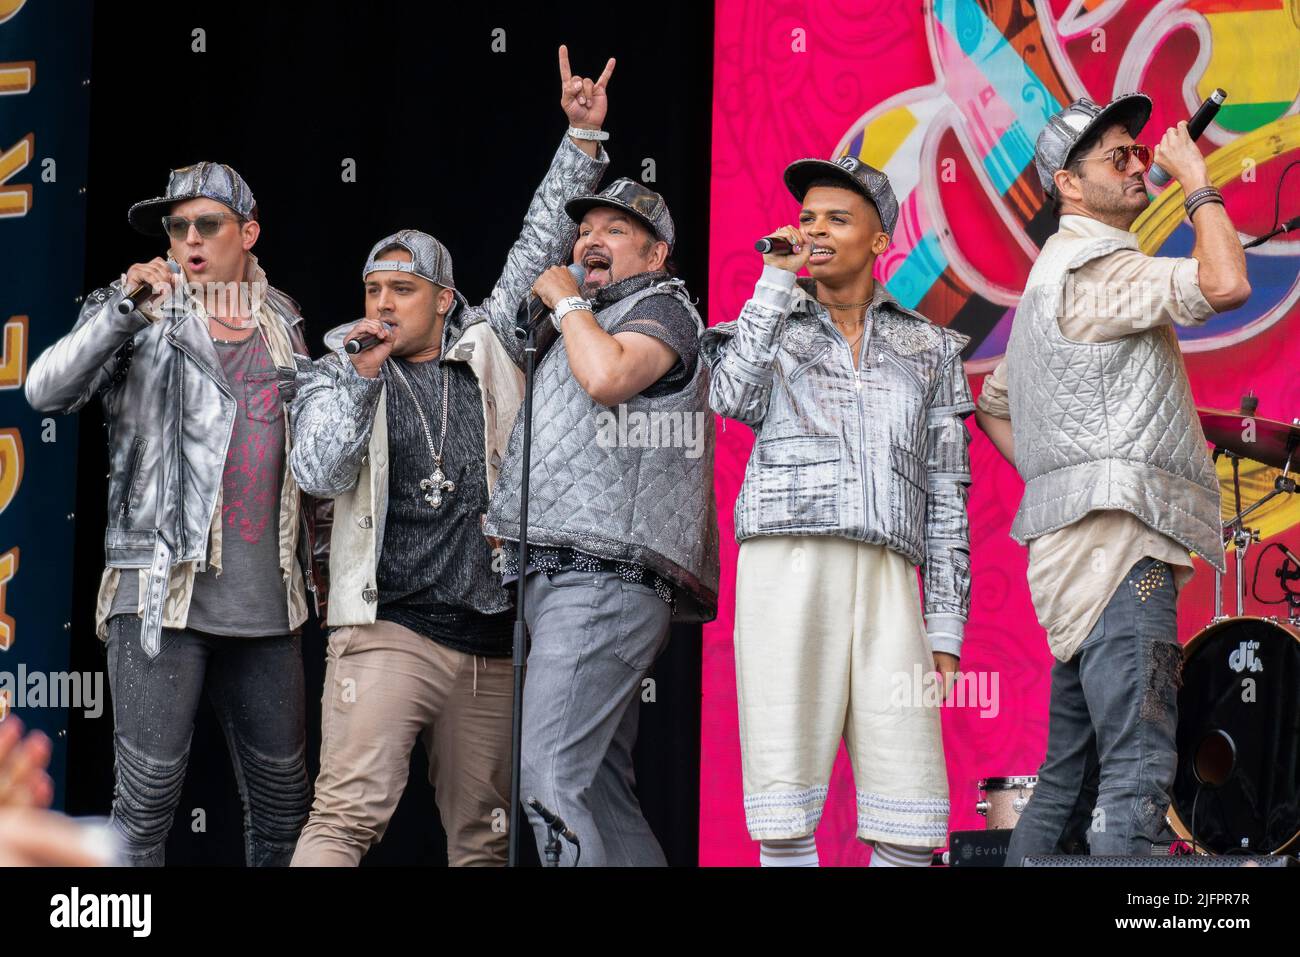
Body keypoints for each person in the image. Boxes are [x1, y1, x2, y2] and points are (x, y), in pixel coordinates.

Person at [287, 47, 612, 866]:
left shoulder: (488, 344)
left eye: (401, 290)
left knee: (484, 841)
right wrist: (360, 377)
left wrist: (581, 138)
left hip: (489, 641)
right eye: (371, 290)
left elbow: (542, 238)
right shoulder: (340, 371)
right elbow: (317, 472)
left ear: (443, 298)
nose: (383, 304)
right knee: (343, 821)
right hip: (387, 632)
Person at [973, 95, 1250, 863]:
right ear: (1066, 184)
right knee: (1138, 771)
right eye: (1118, 157)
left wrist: (1061, 477)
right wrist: (1197, 181)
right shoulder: (1098, 269)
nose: (1138, 165)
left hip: (1074, 565)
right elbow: (1226, 283)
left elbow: (994, 404)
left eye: (1139, 153)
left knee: (1069, 781)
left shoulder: (1044, 282)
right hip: (1123, 561)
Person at [26, 162, 317, 866]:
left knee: (286, 811)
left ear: (247, 232)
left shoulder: (284, 317)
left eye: (207, 224)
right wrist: (125, 304)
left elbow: (311, 460)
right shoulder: (137, 307)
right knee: (146, 807)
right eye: (177, 226)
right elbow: (44, 389)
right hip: (159, 594)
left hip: (269, 605)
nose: (189, 239)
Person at [700, 156, 973, 867]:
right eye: (808, 216)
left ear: (879, 242)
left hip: (890, 576)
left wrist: (945, 622)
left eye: (837, 219)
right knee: (785, 806)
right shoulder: (769, 319)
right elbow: (729, 396)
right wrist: (773, 279)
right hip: (787, 562)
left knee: (909, 811)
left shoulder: (931, 346)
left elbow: (948, 489)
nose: (815, 229)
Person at [482, 176, 720, 867]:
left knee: (548, 779)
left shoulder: (663, 309)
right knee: (603, 792)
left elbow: (608, 376)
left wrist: (568, 302)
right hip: (564, 581)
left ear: (658, 255)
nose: (590, 240)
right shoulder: (579, 316)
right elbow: (523, 279)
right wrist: (580, 143)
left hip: (604, 583)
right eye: (585, 230)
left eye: (615, 231)